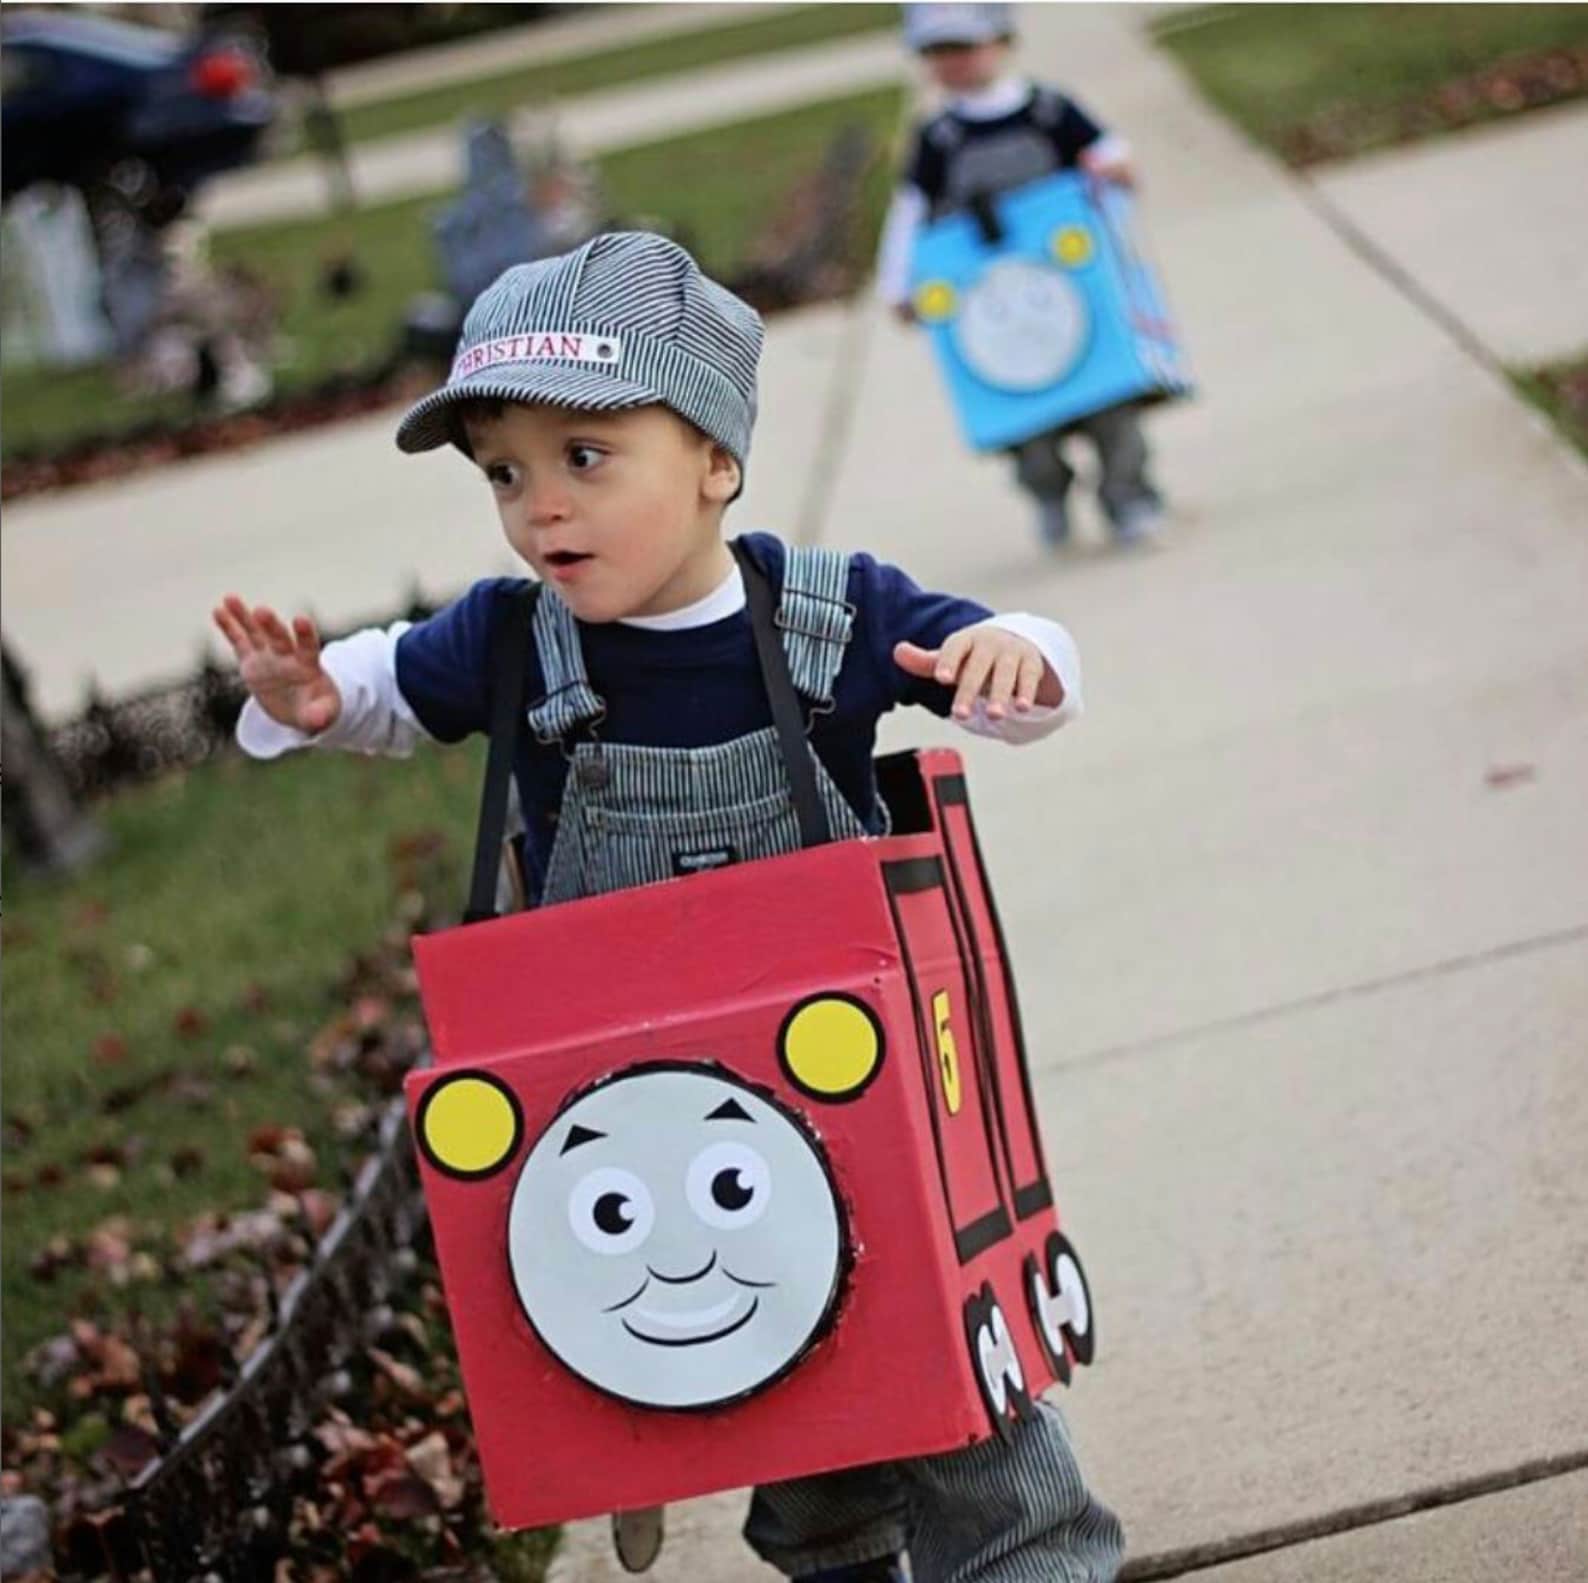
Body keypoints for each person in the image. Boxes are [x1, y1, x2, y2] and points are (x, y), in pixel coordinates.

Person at [213, 231, 1123, 1583]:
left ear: (713, 460)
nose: (542, 511)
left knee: (930, 1342)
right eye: (507, 473)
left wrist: (1018, 658)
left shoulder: (834, 614)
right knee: (775, 1359)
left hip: (849, 1070)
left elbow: (1030, 670)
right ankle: (840, 1551)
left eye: (586, 459)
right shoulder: (514, 639)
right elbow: (384, 684)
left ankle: (1033, 1555)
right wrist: (308, 700)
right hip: (642, 1085)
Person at [876, 1, 1166, 549]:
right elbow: (910, 212)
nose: (953, 62)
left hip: (1077, 299)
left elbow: (1107, 152)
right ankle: (1048, 492)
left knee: (1113, 413)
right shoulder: (938, 140)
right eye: (937, 52)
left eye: (964, 46)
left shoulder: (1050, 112)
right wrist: (900, 285)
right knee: (1027, 429)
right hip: (995, 312)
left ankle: (1130, 497)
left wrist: (1116, 168)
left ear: (1001, 42)